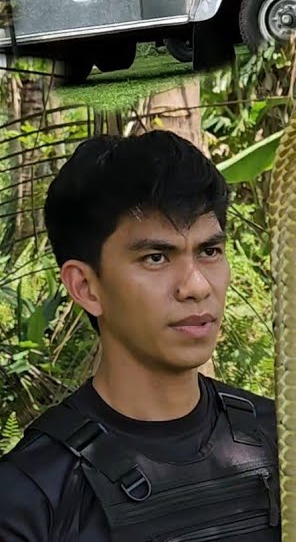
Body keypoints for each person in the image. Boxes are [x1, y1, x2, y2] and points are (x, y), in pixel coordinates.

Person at [0, 130, 281, 542]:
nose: (197, 286)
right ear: (86, 287)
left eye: (209, 251)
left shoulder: (278, 436)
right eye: (156, 257)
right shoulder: (33, 493)